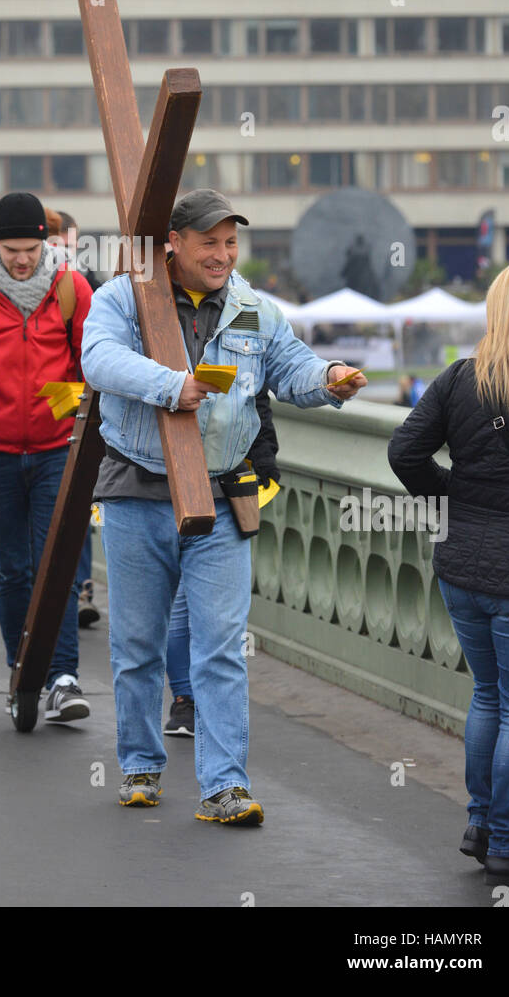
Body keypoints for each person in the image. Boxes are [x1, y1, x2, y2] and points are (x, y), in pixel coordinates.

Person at [80, 188, 366, 820]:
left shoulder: (253, 307)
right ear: (174, 243)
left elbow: (290, 368)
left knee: (220, 647)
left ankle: (224, 786)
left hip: (222, 492)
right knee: (136, 645)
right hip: (137, 489)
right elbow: (97, 360)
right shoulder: (123, 296)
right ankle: (139, 766)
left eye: (230, 242)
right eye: (209, 242)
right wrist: (170, 386)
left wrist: (330, 379)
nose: (222, 254)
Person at [388, 261, 509, 881]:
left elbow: (403, 452)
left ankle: (480, 819)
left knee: (489, 695)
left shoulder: (459, 378)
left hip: (461, 565)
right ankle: (506, 836)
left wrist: (451, 496)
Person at [0, 191, 94, 724]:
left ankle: (65, 677)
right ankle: (23, 672)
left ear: (46, 243)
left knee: (57, 568)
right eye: (11, 249)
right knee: (11, 570)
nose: (23, 259)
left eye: (31, 248)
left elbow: (90, 361)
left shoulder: (73, 288)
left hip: (57, 450)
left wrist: (76, 405)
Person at [164, 378, 280, 737]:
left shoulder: (244, 328)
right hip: (165, 479)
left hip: (223, 485)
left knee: (201, 617)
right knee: (179, 613)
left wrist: (263, 461)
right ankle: (187, 701)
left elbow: (256, 401)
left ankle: (189, 703)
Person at [46, 208, 101, 628]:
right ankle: (49, 589)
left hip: (78, 413)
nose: (69, 253)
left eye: (72, 246)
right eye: (62, 245)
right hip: (32, 420)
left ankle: (79, 585)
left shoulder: (88, 285)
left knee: (76, 505)